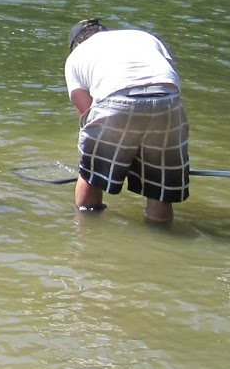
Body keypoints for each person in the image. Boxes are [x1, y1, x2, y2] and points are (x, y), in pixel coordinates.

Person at [65, 18, 189, 222]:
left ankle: (86, 230)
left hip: (116, 98)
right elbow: (167, 78)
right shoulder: (144, 37)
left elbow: (86, 115)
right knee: (159, 187)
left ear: (76, 44)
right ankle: (160, 234)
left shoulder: (76, 56)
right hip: (167, 99)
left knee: (91, 174)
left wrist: (96, 158)